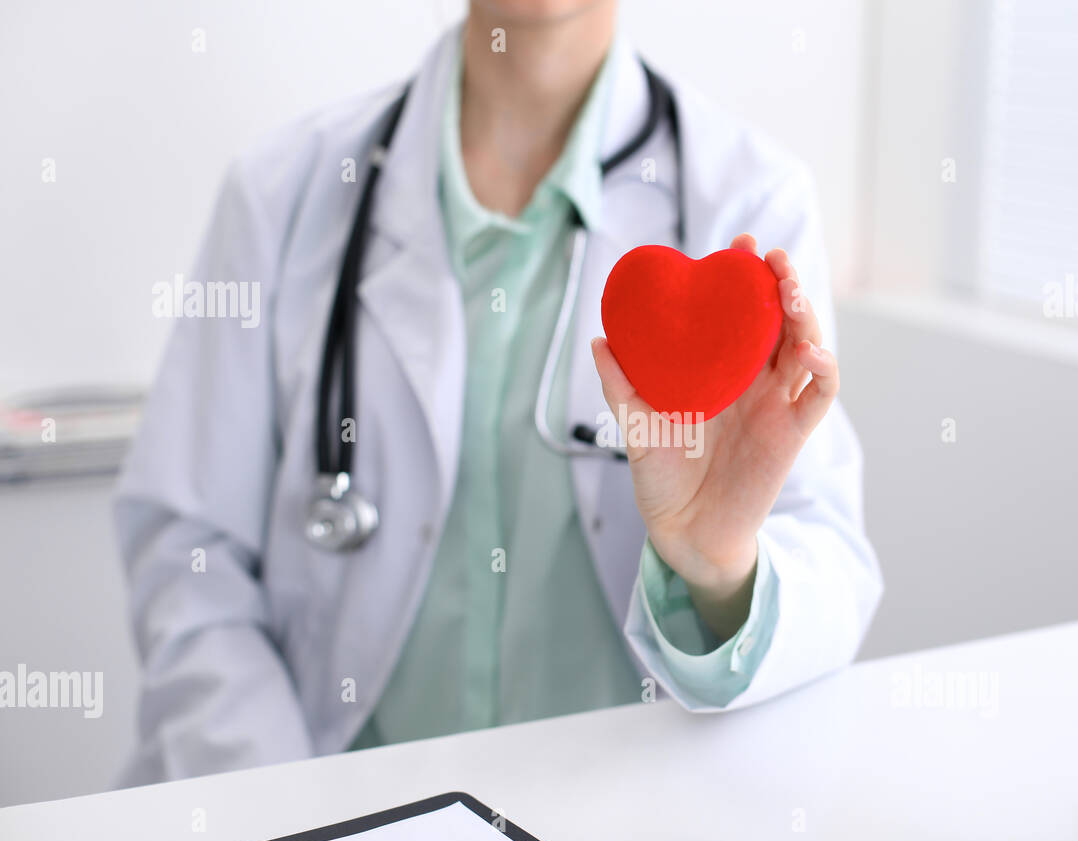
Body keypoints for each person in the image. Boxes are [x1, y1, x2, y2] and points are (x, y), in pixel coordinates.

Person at [113, 0, 883, 784]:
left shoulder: (751, 203)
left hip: (618, 822)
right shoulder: (285, 191)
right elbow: (189, 551)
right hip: (335, 820)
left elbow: (829, 563)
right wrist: (285, 814)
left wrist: (719, 566)